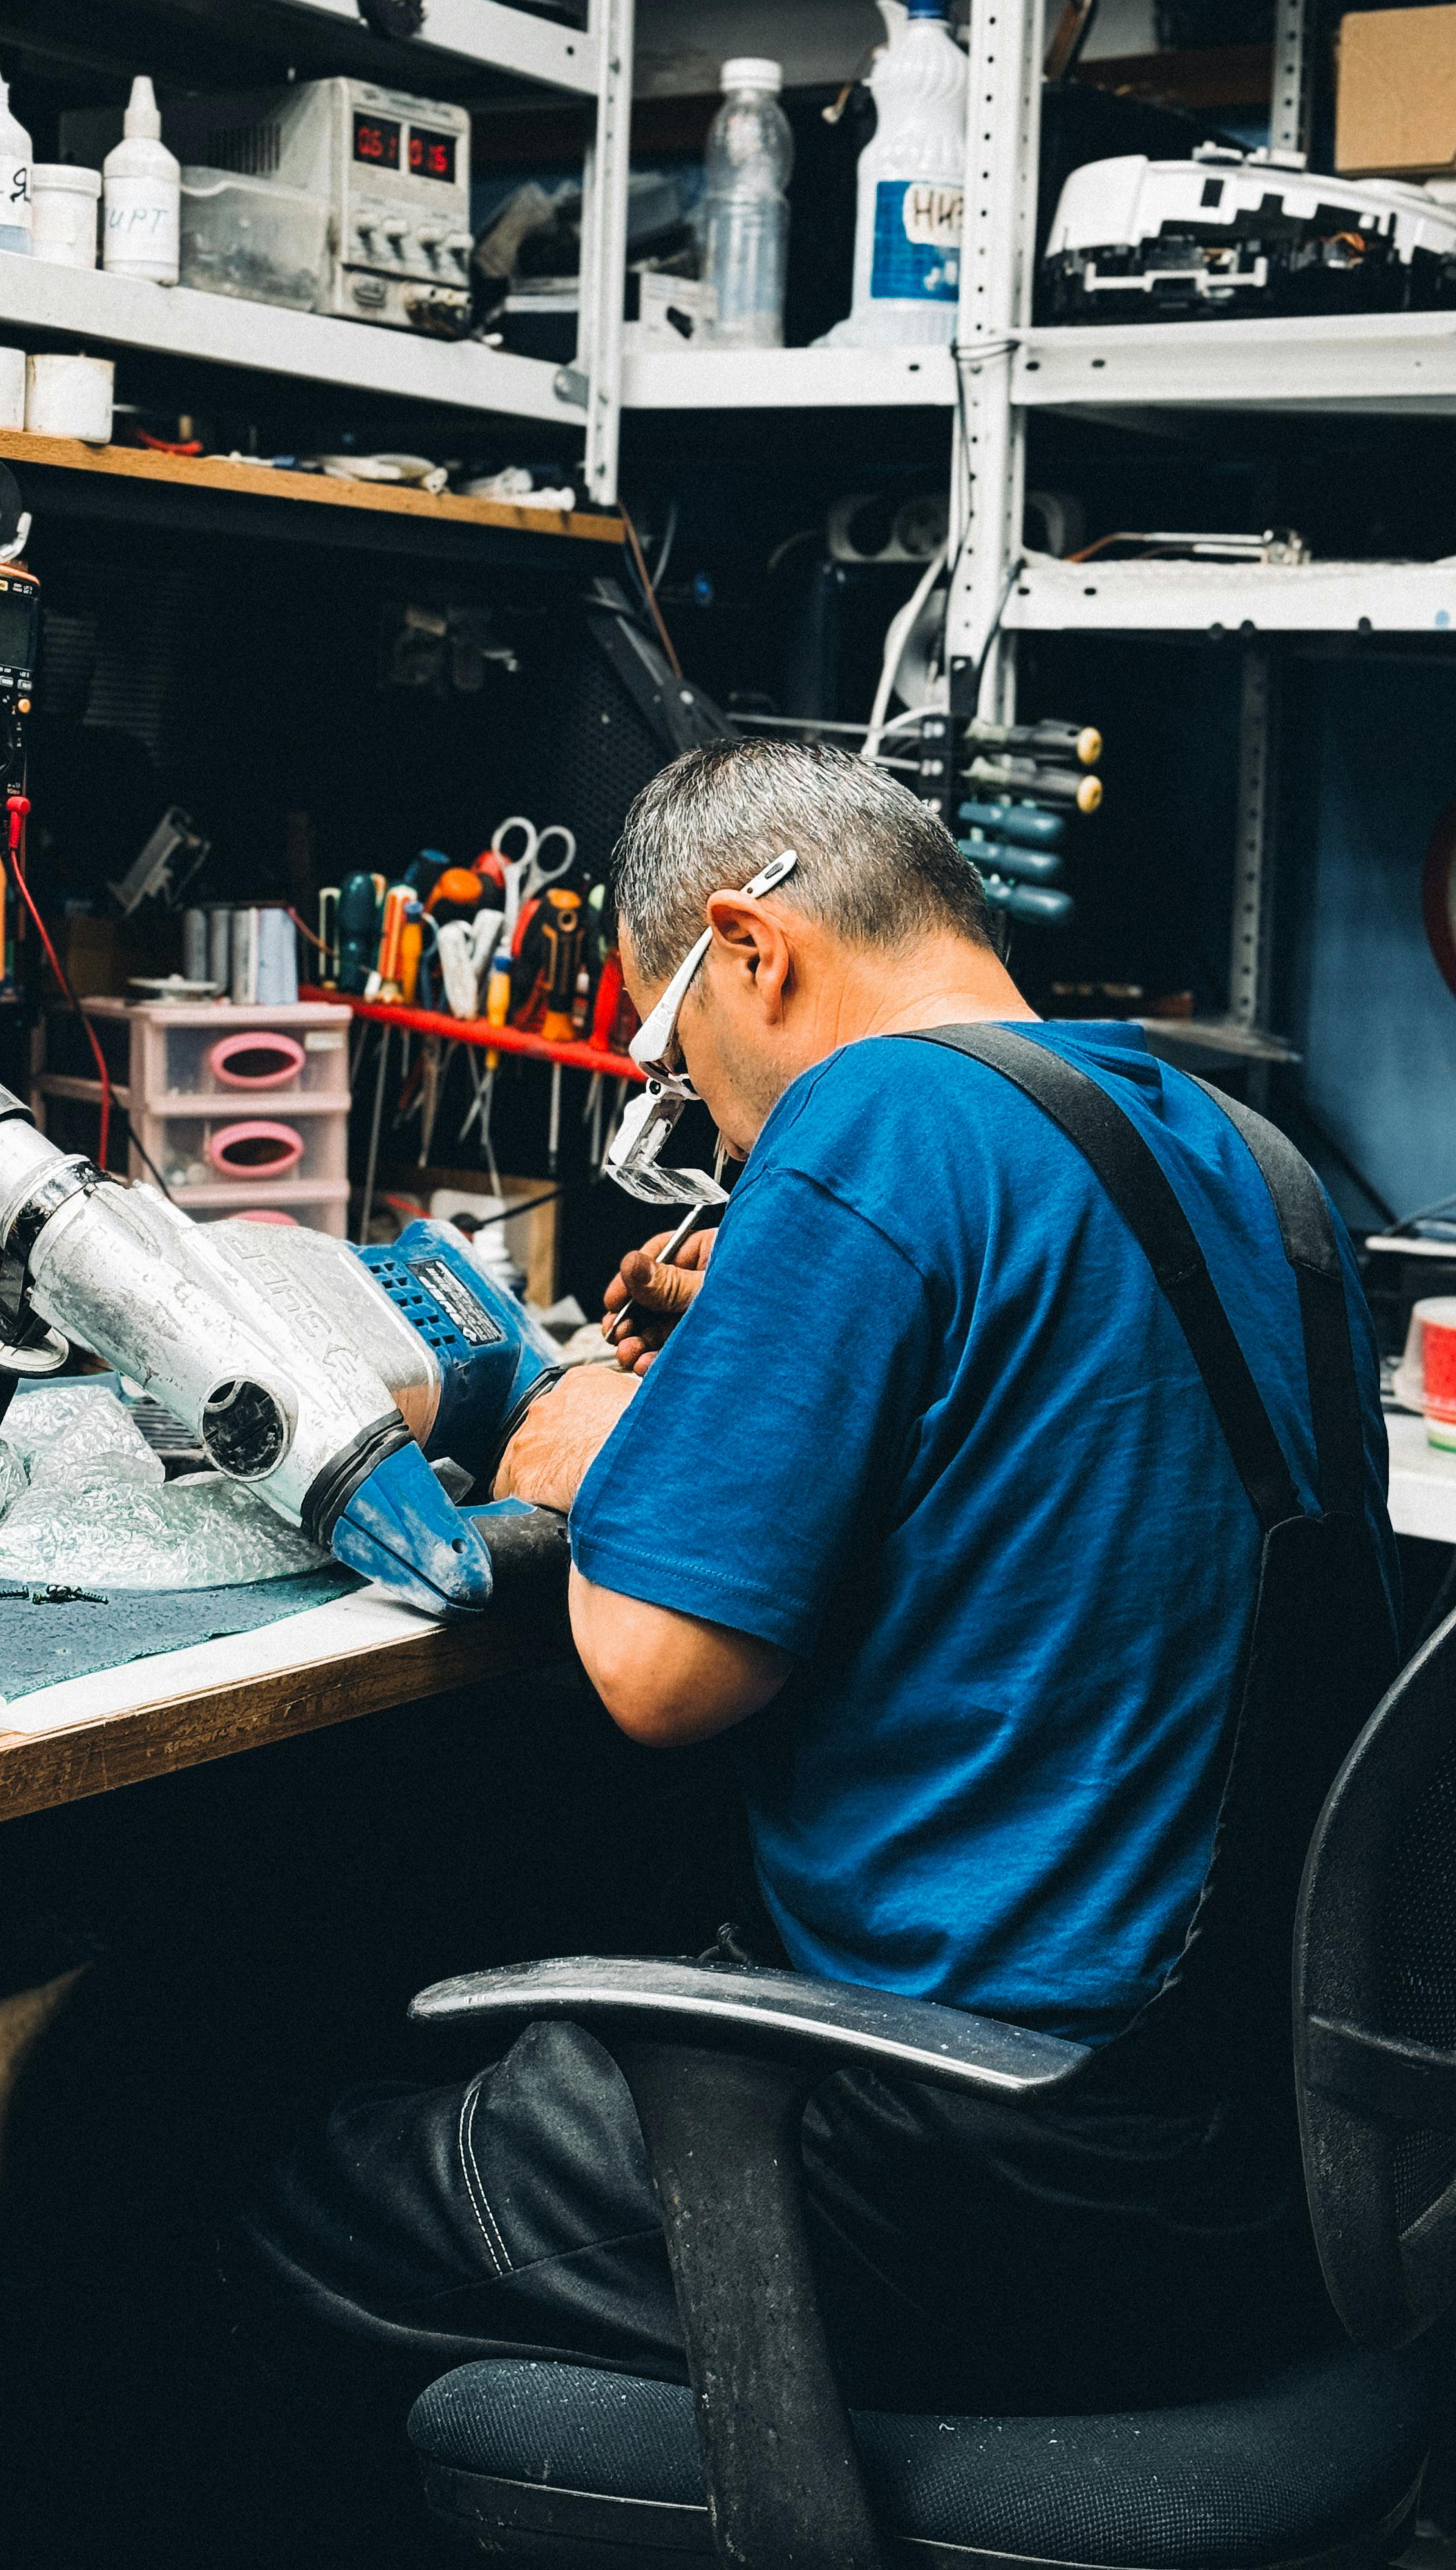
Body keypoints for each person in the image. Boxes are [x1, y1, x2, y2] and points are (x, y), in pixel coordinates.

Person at [226, 739, 1397, 2484]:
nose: (710, 1130)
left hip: (961, 2158)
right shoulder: (1247, 1155)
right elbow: (1050, 1443)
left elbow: (659, 1671)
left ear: (750, 950)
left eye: (681, 1062)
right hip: (1242, 2162)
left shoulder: (879, 1115)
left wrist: (605, 1439)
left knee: (235, 2172)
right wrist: (779, 1344)